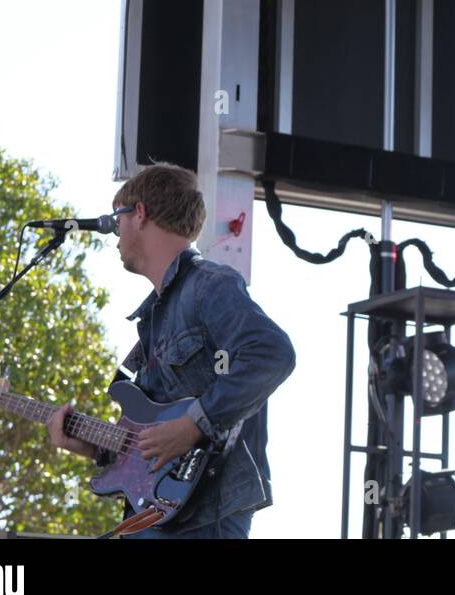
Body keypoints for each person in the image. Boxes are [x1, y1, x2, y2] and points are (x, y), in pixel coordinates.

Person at [46, 163, 296, 538]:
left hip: (206, 513)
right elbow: (153, 433)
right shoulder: (153, 317)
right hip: (156, 515)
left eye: (119, 219)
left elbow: (273, 353)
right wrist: (96, 448)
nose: (115, 234)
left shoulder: (209, 285)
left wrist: (194, 423)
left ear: (140, 213)